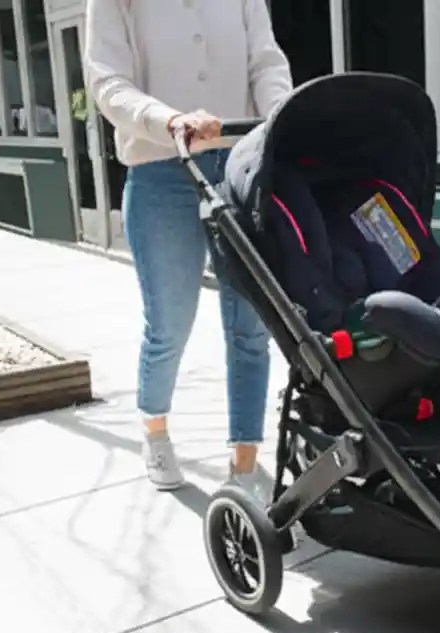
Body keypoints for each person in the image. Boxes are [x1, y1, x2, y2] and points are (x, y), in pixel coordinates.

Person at [84, 0, 292, 490]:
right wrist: (168, 119)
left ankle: (244, 461)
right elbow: (107, 82)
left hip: (243, 166)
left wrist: (283, 114)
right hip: (161, 171)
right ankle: (154, 431)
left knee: (250, 327)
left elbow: (264, 61)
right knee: (169, 324)